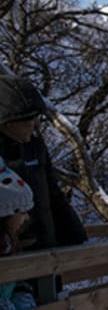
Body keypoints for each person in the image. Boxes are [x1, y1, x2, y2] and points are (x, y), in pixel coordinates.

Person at [0, 76, 86, 251]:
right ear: (7, 122)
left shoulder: (34, 146)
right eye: (27, 119)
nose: (34, 124)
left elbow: (53, 192)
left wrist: (73, 235)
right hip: (11, 257)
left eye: (36, 117)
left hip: (45, 247)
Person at [0, 159, 37, 310]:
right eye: (21, 212)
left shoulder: (9, 242)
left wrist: (22, 296)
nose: (26, 218)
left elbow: (17, 280)